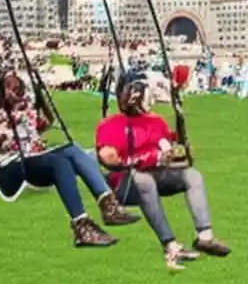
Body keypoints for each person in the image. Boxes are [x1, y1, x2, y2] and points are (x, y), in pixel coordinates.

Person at [0, 56, 139, 248]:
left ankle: (108, 206)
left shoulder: (22, 111)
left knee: (71, 149)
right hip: (11, 169)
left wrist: (40, 96)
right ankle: (82, 227)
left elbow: (46, 123)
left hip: (33, 159)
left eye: (18, 87)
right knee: (59, 161)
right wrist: (3, 135)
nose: (16, 92)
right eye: (11, 87)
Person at [96, 73, 230, 271]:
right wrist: (151, 158)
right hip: (125, 185)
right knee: (144, 181)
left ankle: (205, 237)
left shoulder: (155, 122)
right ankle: (170, 245)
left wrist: (179, 144)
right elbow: (109, 159)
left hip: (157, 176)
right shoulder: (110, 125)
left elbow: (175, 150)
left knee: (192, 175)